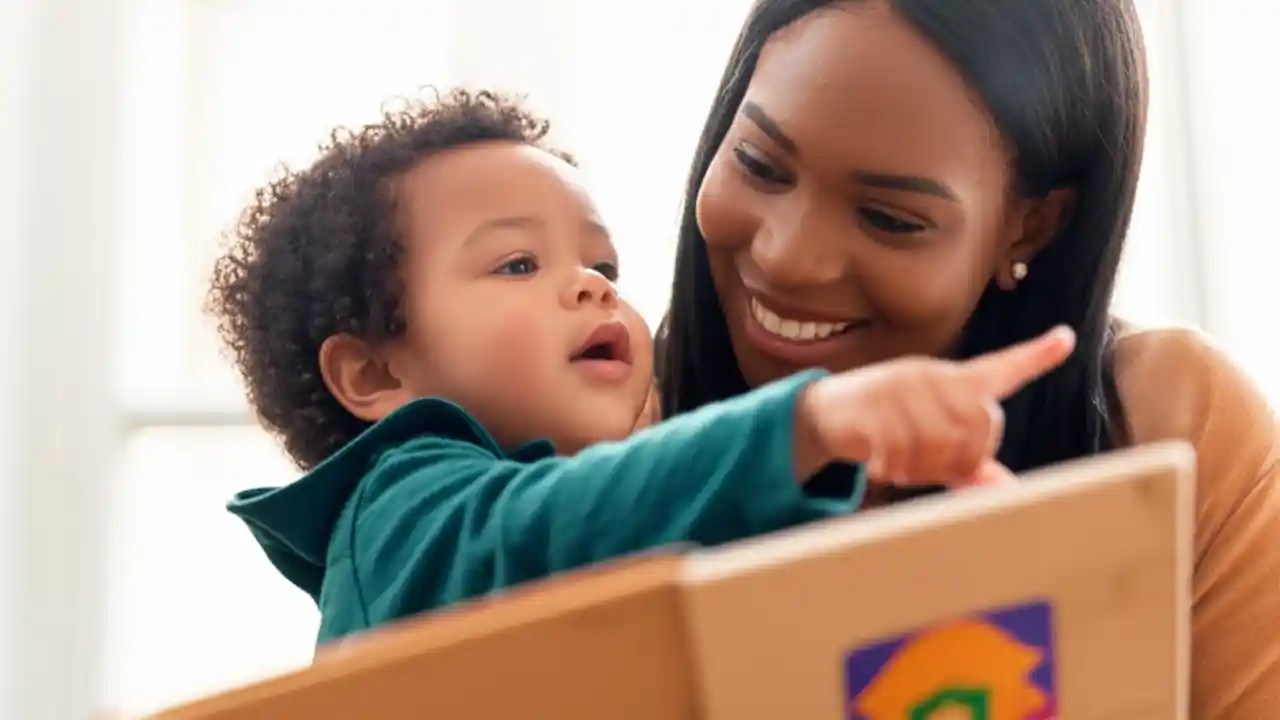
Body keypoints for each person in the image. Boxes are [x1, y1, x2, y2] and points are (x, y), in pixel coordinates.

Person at [207, 89, 1073, 645]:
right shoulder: (399, 511)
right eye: (517, 264)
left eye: (605, 269)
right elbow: (544, 530)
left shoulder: (627, 504)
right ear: (373, 374)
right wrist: (809, 424)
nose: (588, 286)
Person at [657, 0, 1280, 715]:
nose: (786, 256)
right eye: (761, 165)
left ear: (1032, 227)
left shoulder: (1171, 427)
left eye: (889, 219)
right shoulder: (603, 415)